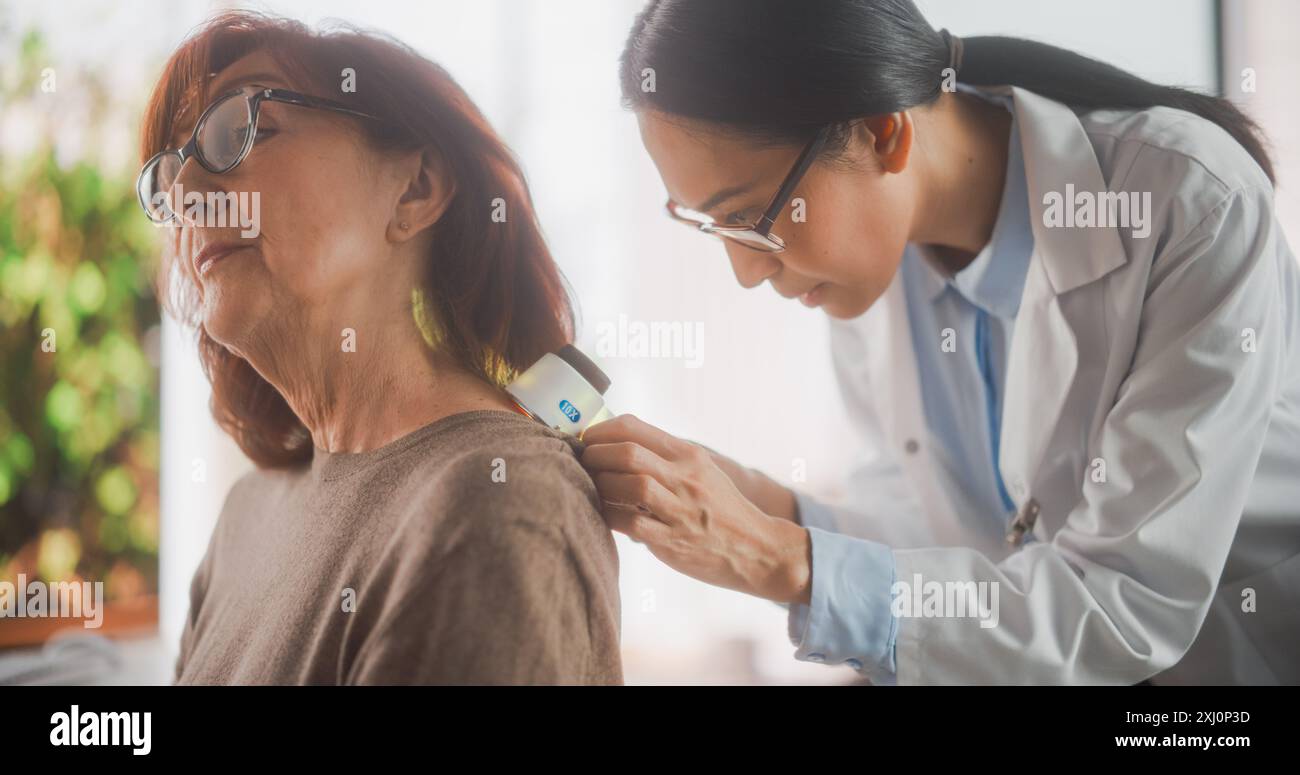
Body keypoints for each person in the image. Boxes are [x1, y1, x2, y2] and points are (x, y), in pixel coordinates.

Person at [580, 0, 1300, 684]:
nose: (744, 271)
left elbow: (1126, 603)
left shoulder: (1191, 204)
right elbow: (934, 537)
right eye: (712, 226)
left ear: (880, 131)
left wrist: (771, 554)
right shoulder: (870, 269)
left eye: (750, 217)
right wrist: (758, 503)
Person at [142, 12, 622, 685]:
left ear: (415, 188)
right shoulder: (247, 515)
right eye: (168, 179)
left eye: (240, 130)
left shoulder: (501, 507)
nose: (187, 196)